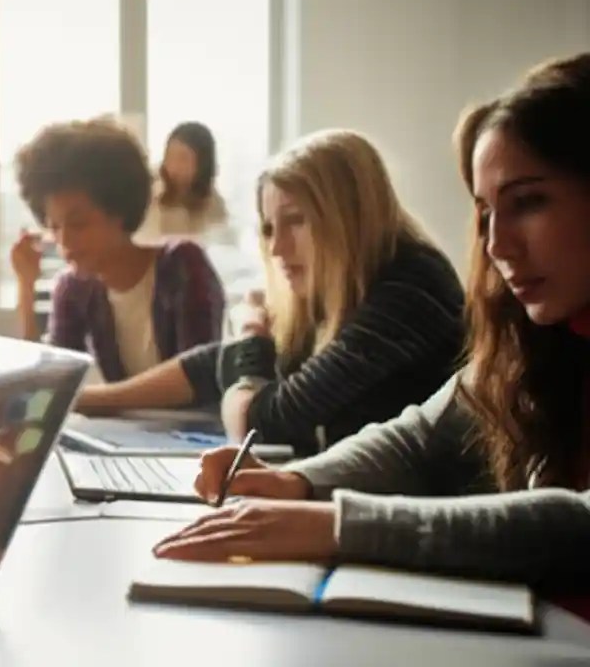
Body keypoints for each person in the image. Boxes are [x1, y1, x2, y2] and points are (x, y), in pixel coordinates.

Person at [155, 53, 590, 604]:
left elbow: (576, 523)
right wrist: (299, 481)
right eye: (484, 213)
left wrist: (337, 525)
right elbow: (418, 438)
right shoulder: (536, 335)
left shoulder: (411, 284)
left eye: (528, 202)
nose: (496, 245)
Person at [77, 129, 465, 456]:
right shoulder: (336, 287)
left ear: (349, 217)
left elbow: (262, 429)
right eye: (268, 229)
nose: (277, 248)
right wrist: (84, 399)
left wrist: (250, 335)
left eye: (295, 221)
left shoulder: (410, 288)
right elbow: (210, 368)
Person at [8, 116, 226, 383]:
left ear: (119, 212)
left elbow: (198, 380)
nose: (64, 240)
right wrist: (26, 286)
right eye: (54, 226)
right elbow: (48, 387)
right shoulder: (74, 289)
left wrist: (90, 400)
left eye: (78, 223)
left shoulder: (182, 263)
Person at [136, 121, 230, 241]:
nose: (174, 166)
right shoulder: (150, 188)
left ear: (202, 163)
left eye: (183, 159)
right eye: (170, 156)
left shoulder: (213, 201)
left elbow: (218, 239)